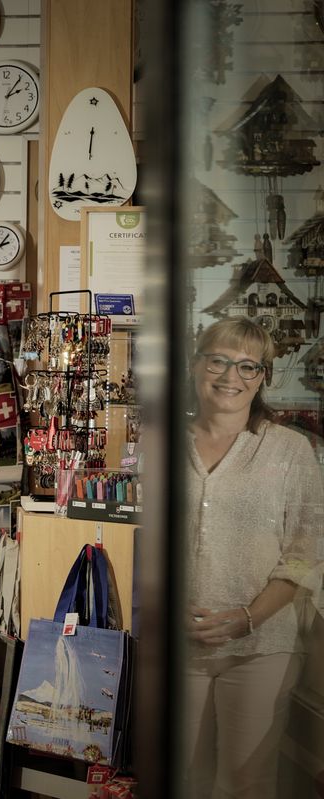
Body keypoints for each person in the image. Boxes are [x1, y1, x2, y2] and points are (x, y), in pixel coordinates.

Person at [183, 318, 322, 799]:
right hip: (178, 645)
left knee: (246, 783)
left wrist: (249, 617)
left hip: (262, 646)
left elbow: (307, 550)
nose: (231, 376)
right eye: (218, 361)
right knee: (184, 779)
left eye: (248, 366)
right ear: (195, 364)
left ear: (263, 377)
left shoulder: (290, 450)